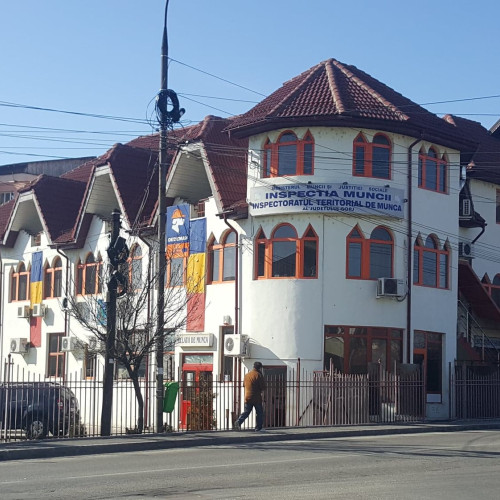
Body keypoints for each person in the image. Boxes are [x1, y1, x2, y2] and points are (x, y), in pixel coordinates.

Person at [234, 361, 266, 431]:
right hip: (256, 397)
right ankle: (258, 428)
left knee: (246, 412)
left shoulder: (247, 375)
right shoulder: (258, 375)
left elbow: (244, 385)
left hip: (247, 397)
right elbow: (263, 387)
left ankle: (238, 421)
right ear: (259, 368)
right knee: (259, 413)